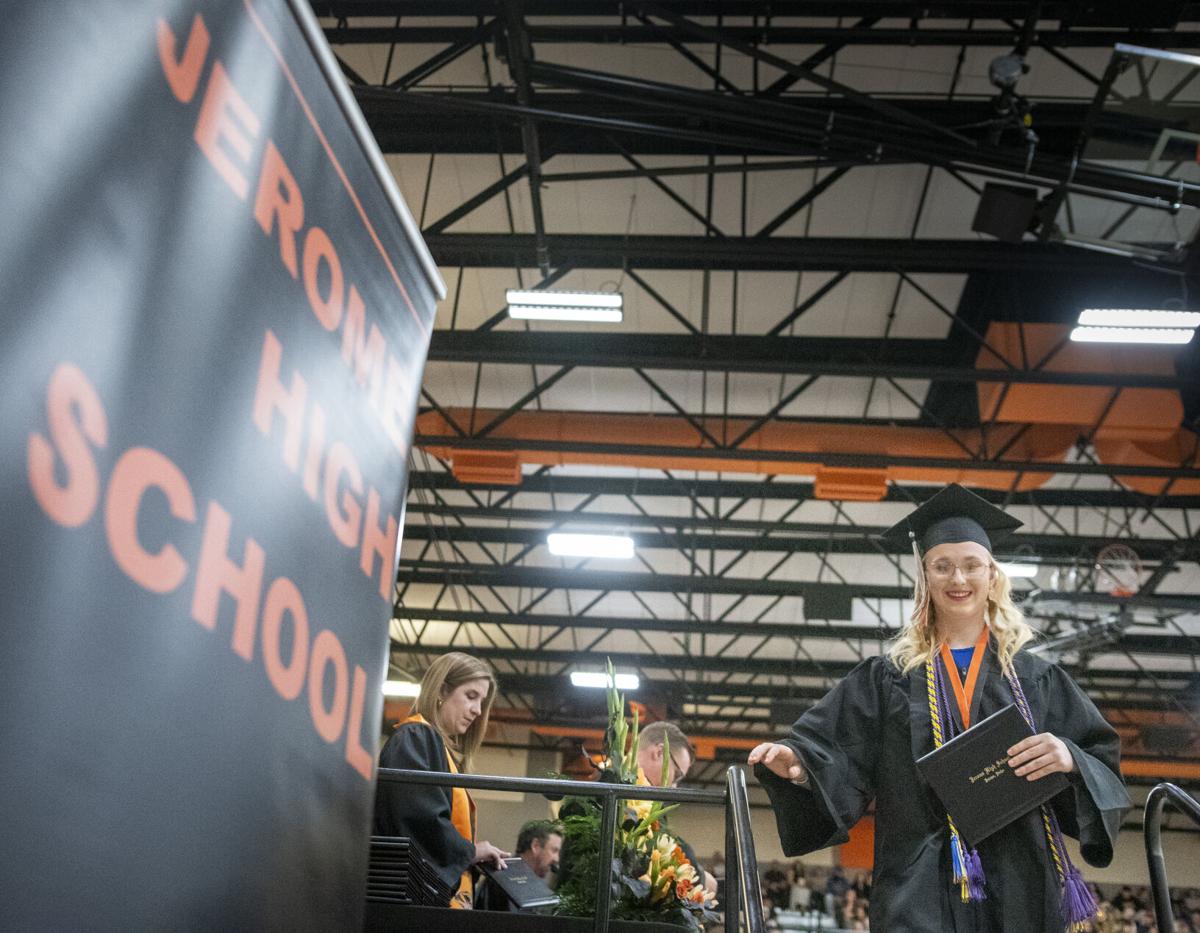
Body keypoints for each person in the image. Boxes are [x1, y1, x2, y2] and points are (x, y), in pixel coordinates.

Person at [748, 484, 1131, 932]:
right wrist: (799, 766)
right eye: (942, 566)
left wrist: (1069, 757)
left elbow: (1101, 761)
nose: (958, 579)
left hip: (1019, 879)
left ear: (993, 576)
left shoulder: (1036, 679)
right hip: (919, 884)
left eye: (971, 565)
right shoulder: (887, 679)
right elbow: (836, 748)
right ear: (925, 577)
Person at [373, 652, 510, 908]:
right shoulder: (415, 738)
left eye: (481, 701)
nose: (478, 710)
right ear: (442, 691)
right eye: (471, 696)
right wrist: (470, 852)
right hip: (403, 901)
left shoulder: (438, 750)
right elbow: (420, 820)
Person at [474, 820, 563, 911]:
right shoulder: (501, 878)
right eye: (554, 850)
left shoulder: (541, 885)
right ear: (535, 846)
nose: (557, 859)